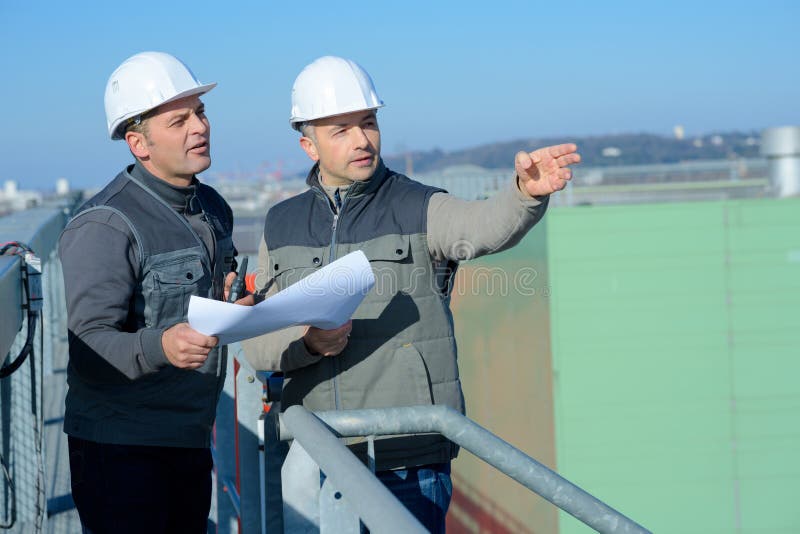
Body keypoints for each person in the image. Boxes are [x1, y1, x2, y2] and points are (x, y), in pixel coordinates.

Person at [242, 55, 580, 532]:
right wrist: (309, 344)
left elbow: (483, 228)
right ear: (308, 145)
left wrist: (525, 194)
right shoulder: (282, 224)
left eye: (369, 122)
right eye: (341, 129)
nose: (362, 139)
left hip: (407, 462)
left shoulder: (419, 205)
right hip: (316, 458)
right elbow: (258, 342)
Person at [59, 51, 251, 533]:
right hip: (119, 453)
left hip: (186, 437)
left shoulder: (212, 207)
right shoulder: (106, 224)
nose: (200, 127)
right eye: (179, 120)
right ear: (138, 143)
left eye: (201, 113)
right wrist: (161, 345)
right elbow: (88, 346)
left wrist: (236, 307)